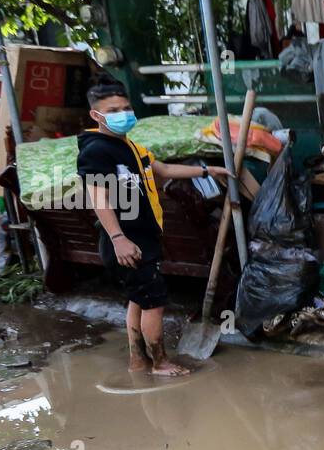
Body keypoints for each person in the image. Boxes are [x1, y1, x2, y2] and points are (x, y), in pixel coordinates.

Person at [78, 78, 231, 376]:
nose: (123, 113)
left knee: (139, 298)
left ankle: (138, 361)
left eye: (126, 107)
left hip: (142, 237)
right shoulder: (96, 151)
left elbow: (163, 169)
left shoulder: (130, 148)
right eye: (113, 110)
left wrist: (206, 169)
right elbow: (98, 197)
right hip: (126, 241)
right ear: (97, 116)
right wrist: (118, 238)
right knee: (154, 303)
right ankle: (159, 362)